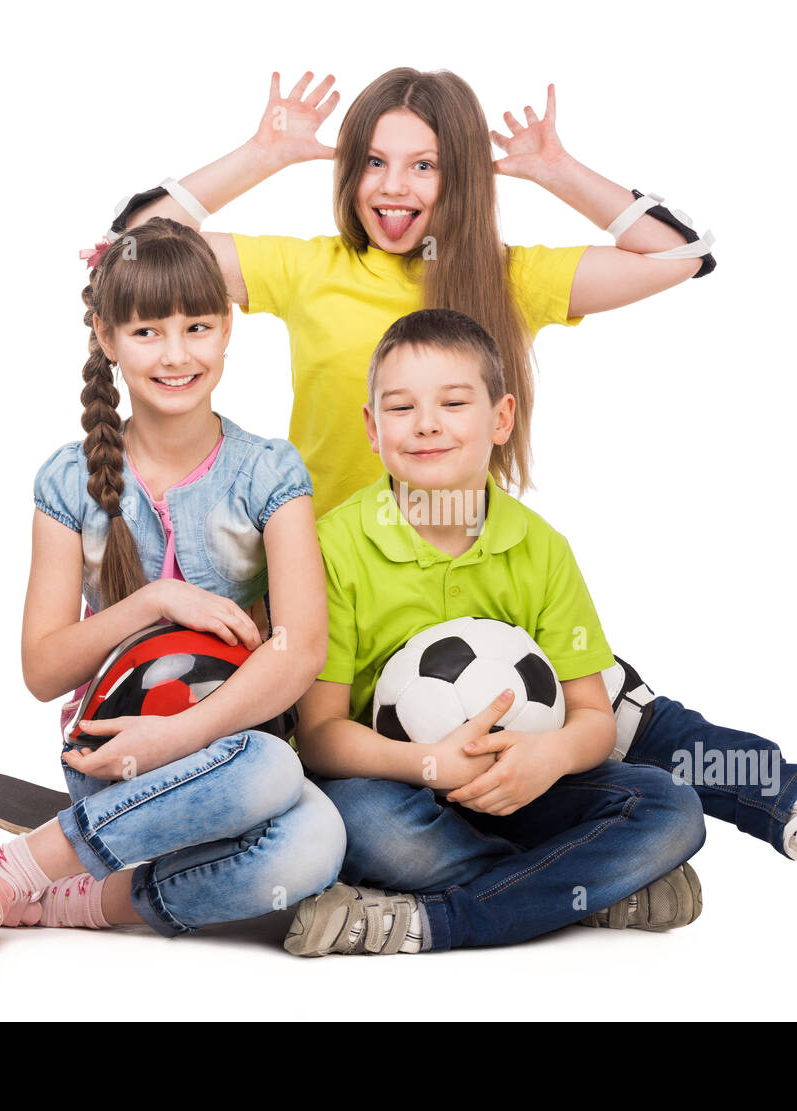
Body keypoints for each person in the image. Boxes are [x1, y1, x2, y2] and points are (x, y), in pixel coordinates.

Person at [89, 68, 797, 944]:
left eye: (424, 165)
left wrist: (556, 170)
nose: (392, 188)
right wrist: (263, 152)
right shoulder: (308, 268)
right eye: (372, 160)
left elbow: (685, 254)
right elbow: (134, 248)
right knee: (386, 807)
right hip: (340, 596)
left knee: (639, 717)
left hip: (478, 595)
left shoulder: (505, 276)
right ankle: (582, 879)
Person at [0, 220, 346, 977]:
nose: (177, 353)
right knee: (275, 778)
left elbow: (302, 649)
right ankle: (23, 869)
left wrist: (179, 738)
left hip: (230, 750)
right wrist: (152, 600)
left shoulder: (269, 471)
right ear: (107, 338)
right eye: (146, 330)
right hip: (114, 754)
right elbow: (42, 669)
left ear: (228, 329)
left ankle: (26, 886)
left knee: (315, 835)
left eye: (198, 326)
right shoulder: (68, 481)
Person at [285, 309, 705, 955]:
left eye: (454, 402)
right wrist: (428, 762)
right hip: (398, 788)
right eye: (401, 407)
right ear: (372, 428)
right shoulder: (333, 548)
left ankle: (435, 917)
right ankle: (582, 884)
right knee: (361, 825)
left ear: (501, 418)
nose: (427, 423)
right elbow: (317, 736)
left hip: (525, 784)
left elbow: (594, 716)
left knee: (672, 806)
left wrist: (551, 755)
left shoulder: (541, 548)